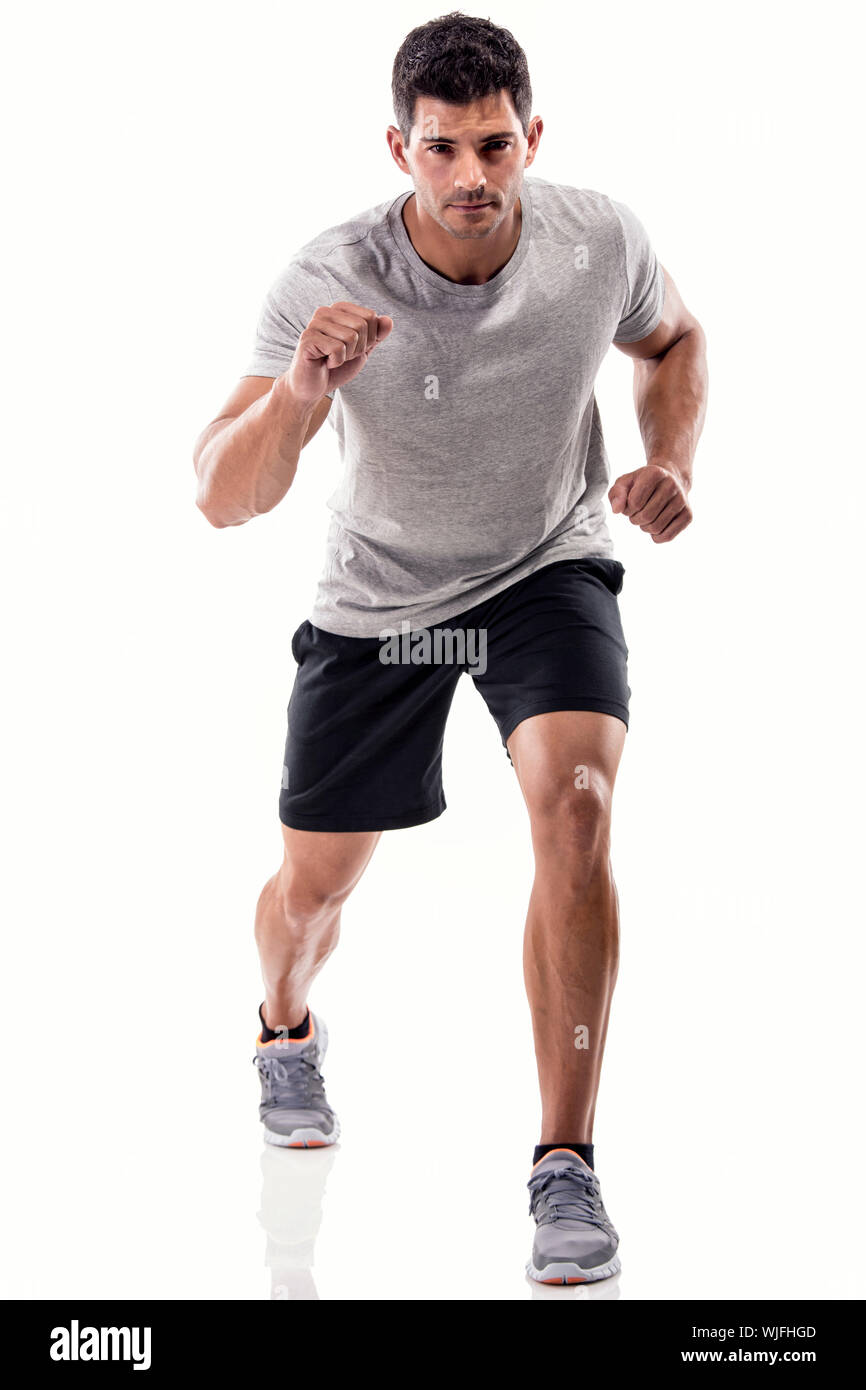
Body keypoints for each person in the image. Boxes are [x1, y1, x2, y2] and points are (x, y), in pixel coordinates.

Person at [192, 11, 707, 1285]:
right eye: (441, 149)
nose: (470, 176)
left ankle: (563, 1165)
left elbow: (676, 339)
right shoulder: (330, 273)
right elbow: (219, 493)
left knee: (578, 805)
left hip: (544, 572)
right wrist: (304, 391)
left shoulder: (600, 239)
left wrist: (674, 459)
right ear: (397, 148)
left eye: (493, 145)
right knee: (311, 894)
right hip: (383, 607)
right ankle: (281, 1028)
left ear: (532, 137)